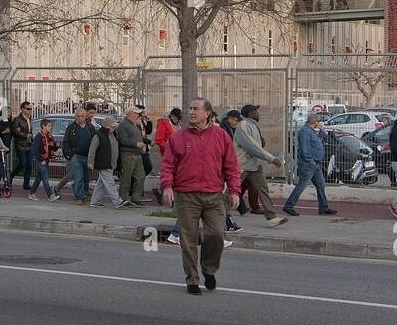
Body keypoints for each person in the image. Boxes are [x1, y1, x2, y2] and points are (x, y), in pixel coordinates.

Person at [161, 97, 242, 295]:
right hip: (186, 196)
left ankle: (209, 269)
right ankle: (192, 280)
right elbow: (168, 165)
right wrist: (167, 187)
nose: (191, 112)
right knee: (187, 239)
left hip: (214, 195)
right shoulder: (179, 137)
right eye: (190, 108)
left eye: (196, 109)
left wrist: (234, 190)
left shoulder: (221, 136)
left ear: (208, 113)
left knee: (215, 234)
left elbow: (231, 166)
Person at [233, 104, 287, 228]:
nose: (258, 114)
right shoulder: (243, 126)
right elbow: (252, 147)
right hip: (242, 165)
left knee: (263, 190)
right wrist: (271, 159)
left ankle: (271, 217)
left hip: (255, 166)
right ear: (250, 114)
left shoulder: (253, 126)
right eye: (256, 111)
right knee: (231, 191)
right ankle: (216, 214)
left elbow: (258, 144)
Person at [283, 113, 336, 216]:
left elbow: (325, 138)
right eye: (318, 121)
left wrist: (321, 129)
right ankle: (289, 206)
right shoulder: (305, 131)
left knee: (321, 184)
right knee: (302, 185)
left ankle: (323, 207)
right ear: (315, 122)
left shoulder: (312, 131)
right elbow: (304, 149)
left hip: (315, 164)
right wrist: (310, 160)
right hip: (309, 164)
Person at [86, 116, 128, 208]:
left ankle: (95, 201)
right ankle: (117, 201)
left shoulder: (112, 134)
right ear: (107, 126)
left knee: (101, 184)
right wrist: (90, 161)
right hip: (104, 163)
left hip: (110, 164)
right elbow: (92, 149)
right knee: (109, 183)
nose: (114, 128)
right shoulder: (99, 135)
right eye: (112, 126)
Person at [62, 107, 96, 203]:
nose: (81, 118)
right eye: (79, 116)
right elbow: (65, 143)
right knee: (78, 176)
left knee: (86, 177)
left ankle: (84, 192)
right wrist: (71, 155)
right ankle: (79, 197)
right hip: (76, 156)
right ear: (75, 117)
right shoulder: (71, 128)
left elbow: (94, 139)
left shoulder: (90, 126)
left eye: (82, 116)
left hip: (88, 156)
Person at [115, 106, 147, 206]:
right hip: (128, 154)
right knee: (126, 178)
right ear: (130, 114)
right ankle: (123, 198)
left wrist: (141, 148)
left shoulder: (134, 124)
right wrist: (136, 144)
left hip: (137, 154)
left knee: (141, 176)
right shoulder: (123, 125)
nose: (138, 115)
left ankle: (136, 198)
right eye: (136, 113)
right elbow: (122, 139)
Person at [28, 117, 60, 201]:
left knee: (39, 177)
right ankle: (50, 196)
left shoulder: (49, 136)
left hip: (46, 159)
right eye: (49, 126)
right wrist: (41, 159)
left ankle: (31, 193)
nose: (50, 128)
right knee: (45, 178)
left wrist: (57, 147)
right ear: (43, 126)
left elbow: (52, 147)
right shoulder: (39, 136)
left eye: (50, 126)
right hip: (41, 160)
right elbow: (35, 149)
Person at [9, 101, 34, 193]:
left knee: (29, 165)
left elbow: (30, 131)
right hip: (20, 144)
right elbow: (15, 132)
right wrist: (25, 135)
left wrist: (31, 138)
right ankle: (11, 176)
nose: (30, 110)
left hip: (29, 144)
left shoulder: (30, 119)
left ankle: (26, 184)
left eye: (31, 109)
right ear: (22, 109)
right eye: (28, 109)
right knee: (22, 163)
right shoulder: (17, 120)